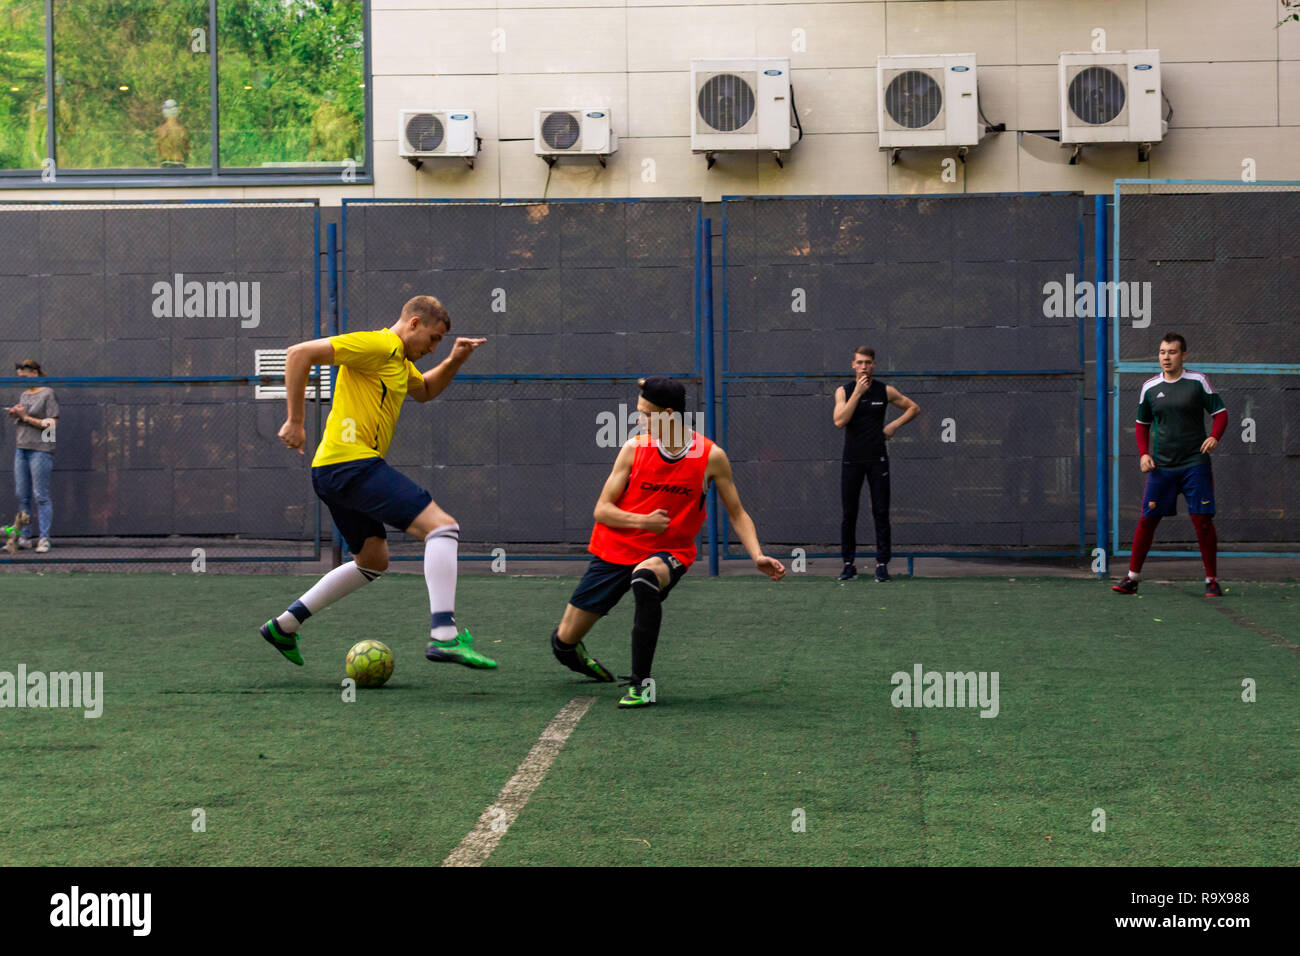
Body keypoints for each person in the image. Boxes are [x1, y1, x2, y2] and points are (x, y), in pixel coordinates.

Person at [260, 295, 498, 670]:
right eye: (433, 339)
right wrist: (295, 420)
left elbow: (425, 392)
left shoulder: (398, 363)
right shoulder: (379, 344)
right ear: (414, 323)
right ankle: (444, 636)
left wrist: (453, 361)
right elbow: (298, 354)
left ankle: (284, 626)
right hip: (350, 464)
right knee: (443, 529)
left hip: (333, 470)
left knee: (372, 561)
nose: (433, 348)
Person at [549, 377, 786, 708]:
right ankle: (573, 651)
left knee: (644, 580)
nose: (638, 419)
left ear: (668, 414)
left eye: (645, 413)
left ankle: (641, 685)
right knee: (562, 642)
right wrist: (642, 521)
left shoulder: (710, 456)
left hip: (669, 551)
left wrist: (757, 554)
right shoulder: (634, 449)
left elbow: (737, 513)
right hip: (615, 548)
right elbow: (602, 510)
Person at [1113, 332, 1227, 598]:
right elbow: (1142, 425)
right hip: (1162, 467)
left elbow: (1221, 414)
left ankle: (1211, 579)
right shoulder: (1150, 387)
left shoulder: (1197, 381)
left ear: (1183, 355)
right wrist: (1144, 454)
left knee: (1203, 521)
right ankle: (1132, 579)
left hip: (1194, 464)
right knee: (1147, 520)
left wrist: (1214, 436)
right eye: (1163, 352)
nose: (1166, 357)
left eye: (1172, 352)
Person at [832, 346, 919, 582]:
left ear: (874, 365)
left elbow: (913, 408)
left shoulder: (885, 390)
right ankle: (848, 564)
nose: (863, 366)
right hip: (852, 460)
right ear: (853, 365)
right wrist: (858, 394)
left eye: (868, 362)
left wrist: (893, 425)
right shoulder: (844, 391)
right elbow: (839, 421)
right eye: (859, 362)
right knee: (849, 513)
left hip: (877, 460)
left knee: (881, 512)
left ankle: (882, 564)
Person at [7, 359, 58, 553]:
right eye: (19, 378)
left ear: (35, 373)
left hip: (40, 450)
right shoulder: (23, 394)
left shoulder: (48, 393)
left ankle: (44, 538)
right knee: (22, 495)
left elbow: (52, 425)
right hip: (22, 448)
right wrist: (16, 414)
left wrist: (26, 417)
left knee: (41, 495)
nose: (22, 381)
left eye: (25, 376)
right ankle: (25, 536)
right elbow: (23, 420)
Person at [155, 99, 190, 167]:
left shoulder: (160, 131)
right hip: (180, 165)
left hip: (166, 165)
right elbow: (187, 150)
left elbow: (158, 151)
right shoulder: (183, 131)